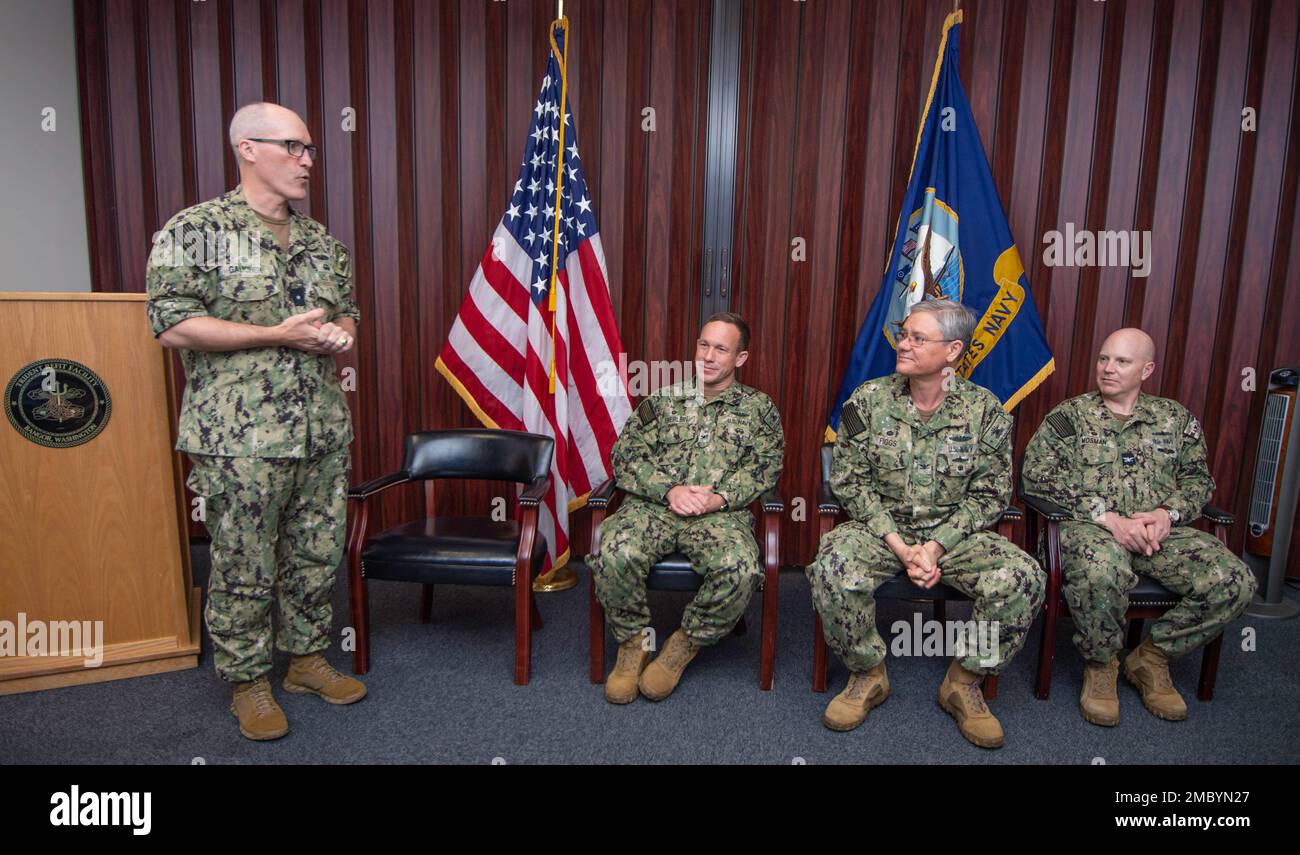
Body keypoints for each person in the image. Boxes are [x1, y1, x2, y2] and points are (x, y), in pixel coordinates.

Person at [145, 102, 366, 741]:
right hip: (238, 438)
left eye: (310, 150)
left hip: (321, 432)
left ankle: (305, 661)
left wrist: (338, 338)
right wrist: (276, 333)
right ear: (247, 148)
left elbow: (348, 313)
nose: (306, 161)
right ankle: (248, 682)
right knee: (244, 562)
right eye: (294, 147)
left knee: (315, 553)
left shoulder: (323, 241)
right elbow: (171, 322)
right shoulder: (196, 231)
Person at [806, 299, 1044, 748]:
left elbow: (990, 494)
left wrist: (935, 546)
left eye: (918, 337)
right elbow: (849, 481)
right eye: (904, 332)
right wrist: (901, 547)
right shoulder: (868, 400)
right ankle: (867, 673)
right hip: (883, 529)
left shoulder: (985, 410)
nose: (904, 342)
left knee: (1022, 577)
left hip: (954, 534)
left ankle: (964, 681)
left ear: (953, 350)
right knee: (832, 567)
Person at [1021, 327, 1256, 726]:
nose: (1108, 369)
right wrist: (1106, 517)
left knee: (1235, 580)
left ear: (1147, 369)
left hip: (1160, 533)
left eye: (1122, 361)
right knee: (1100, 570)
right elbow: (1036, 477)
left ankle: (1152, 657)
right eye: (1103, 359)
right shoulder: (1070, 417)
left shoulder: (1174, 419)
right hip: (1091, 529)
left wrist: (1169, 514)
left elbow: (1199, 481)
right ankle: (1101, 665)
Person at [589, 313, 783, 703]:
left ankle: (683, 646)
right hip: (653, 509)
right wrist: (669, 490)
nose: (708, 356)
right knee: (613, 549)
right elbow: (625, 457)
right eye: (703, 345)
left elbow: (766, 468)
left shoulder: (760, 410)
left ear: (740, 359)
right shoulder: (661, 400)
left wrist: (720, 497)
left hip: (719, 516)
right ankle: (633, 644)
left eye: (721, 349)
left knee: (739, 567)